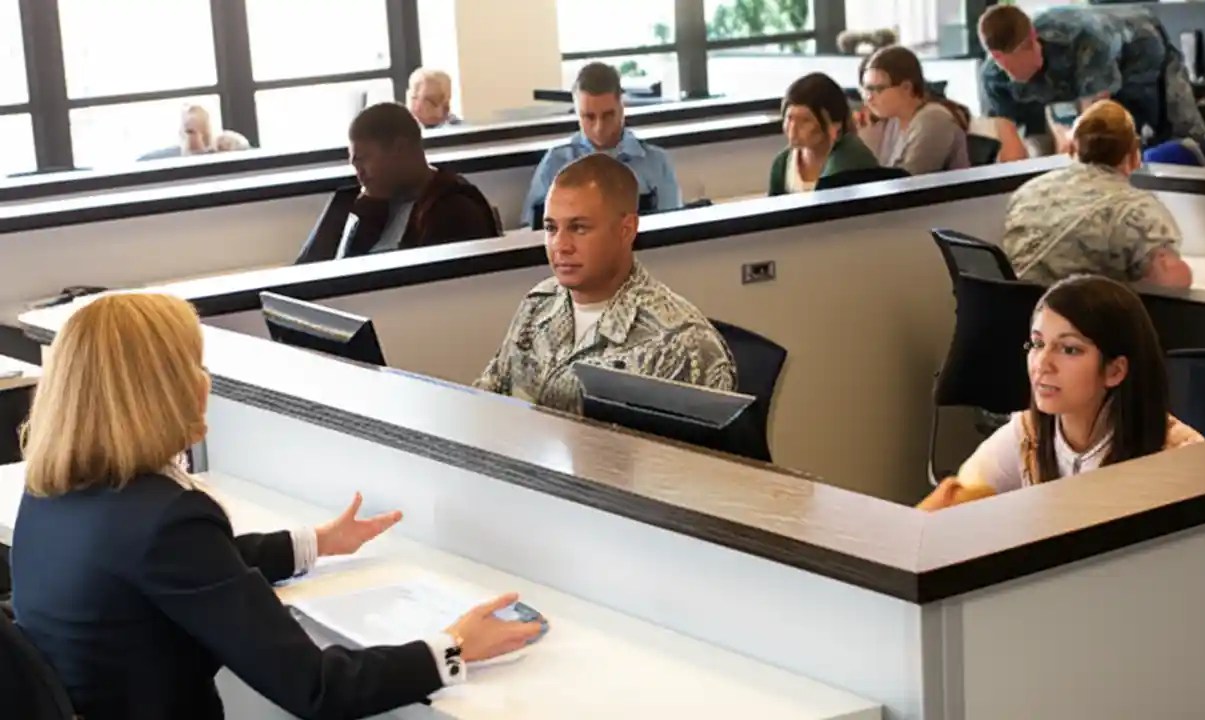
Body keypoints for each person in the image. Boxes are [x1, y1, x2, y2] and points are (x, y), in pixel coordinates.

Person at [10, 293, 544, 719]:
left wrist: (313, 544)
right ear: (166, 390)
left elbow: (188, 570)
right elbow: (317, 689)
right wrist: (452, 647)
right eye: (193, 366)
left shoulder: (50, 491)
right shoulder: (167, 521)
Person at [918, 275, 1203, 511]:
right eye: (1037, 344)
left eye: (1069, 349)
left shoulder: (1177, 456)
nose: (1042, 364)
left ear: (1115, 371)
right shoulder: (1028, 434)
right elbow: (950, 504)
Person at [479, 154, 735, 414]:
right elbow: (487, 402)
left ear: (626, 230)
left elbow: (700, 453)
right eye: (551, 228)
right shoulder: (538, 305)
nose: (560, 246)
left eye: (578, 228)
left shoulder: (680, 342)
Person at [977, 4, 1205, 167]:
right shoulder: (993, 78)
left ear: (1033, 38)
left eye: (1020, 61)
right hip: (1092, 77)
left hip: (1145, 53)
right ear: (996, 57)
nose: (1015, 74)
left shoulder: (1084, 39)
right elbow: (1012, 152)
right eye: (1005, 66)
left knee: (1182, 133)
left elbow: (1097, 125)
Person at [1001, 101, 1193, 288]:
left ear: (1073, 150)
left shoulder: (1028, 191)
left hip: (1020, 311)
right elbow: (1172, 284)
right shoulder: (1140, 210)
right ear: (1134, 155)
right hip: (1082, 314)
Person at [521, 62, 681, 226]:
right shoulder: (555, 163)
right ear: (576, 113)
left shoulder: (656, 162)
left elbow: (672, 230)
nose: (599, 127)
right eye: (589, 117)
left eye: (608, 115)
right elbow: (533, 229)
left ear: (622, 106)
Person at [336, 102, 499, 259]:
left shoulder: (453, 211)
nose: (360, 175)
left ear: (399, 148)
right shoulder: (379, 202)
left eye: (363, 160)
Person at [855, 46, 971, 175]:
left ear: (906, 87)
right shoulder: (892, 120)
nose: (869, 98)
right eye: (866, 90)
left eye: (878, 89)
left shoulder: (933, 119)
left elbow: (908, 181)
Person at [768, 72, 880, 196]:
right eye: (790, 118)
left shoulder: (851, 158)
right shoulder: (782, 163)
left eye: (805, 120)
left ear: (834, 124)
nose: (792, 129)